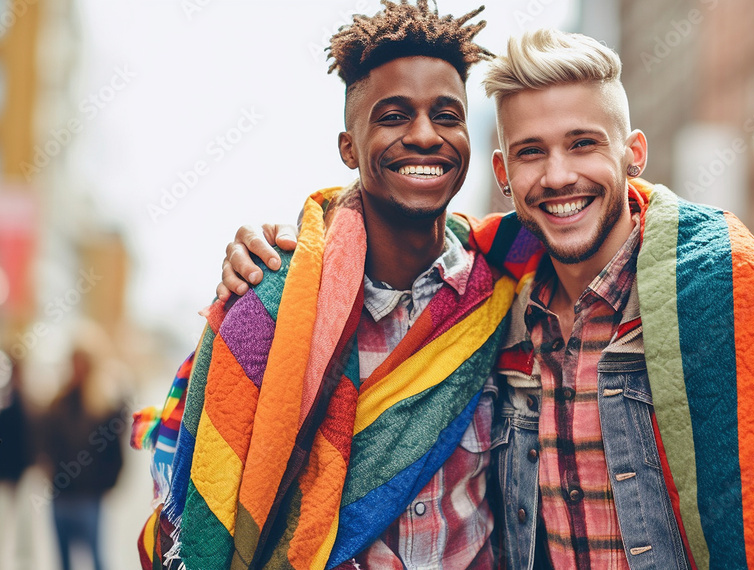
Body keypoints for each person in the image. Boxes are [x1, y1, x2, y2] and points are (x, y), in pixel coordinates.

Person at [224, 29, 754, 569]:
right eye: (533, 153)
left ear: (633, 154)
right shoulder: (490, 303)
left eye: (583, 144)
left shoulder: (720, 291)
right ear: (504, 176)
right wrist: (285, 256)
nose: (560, 175)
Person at [133, 2, 515, 568]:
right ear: (348, 147)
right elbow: (196, 503)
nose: (425, 135)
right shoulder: (274, 300)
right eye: (393, 116)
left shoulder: (508, 287)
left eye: (447, 115)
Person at [42, 326, 126, 570]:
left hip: (89, 498)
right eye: (73, 360)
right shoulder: (59, 402)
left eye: (81, 361)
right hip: (61, 496)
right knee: (63, 562)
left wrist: (102, 486)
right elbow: (47, 443)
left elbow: (115, 456)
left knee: (97, 560)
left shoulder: (105, 405)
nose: (76, 367)